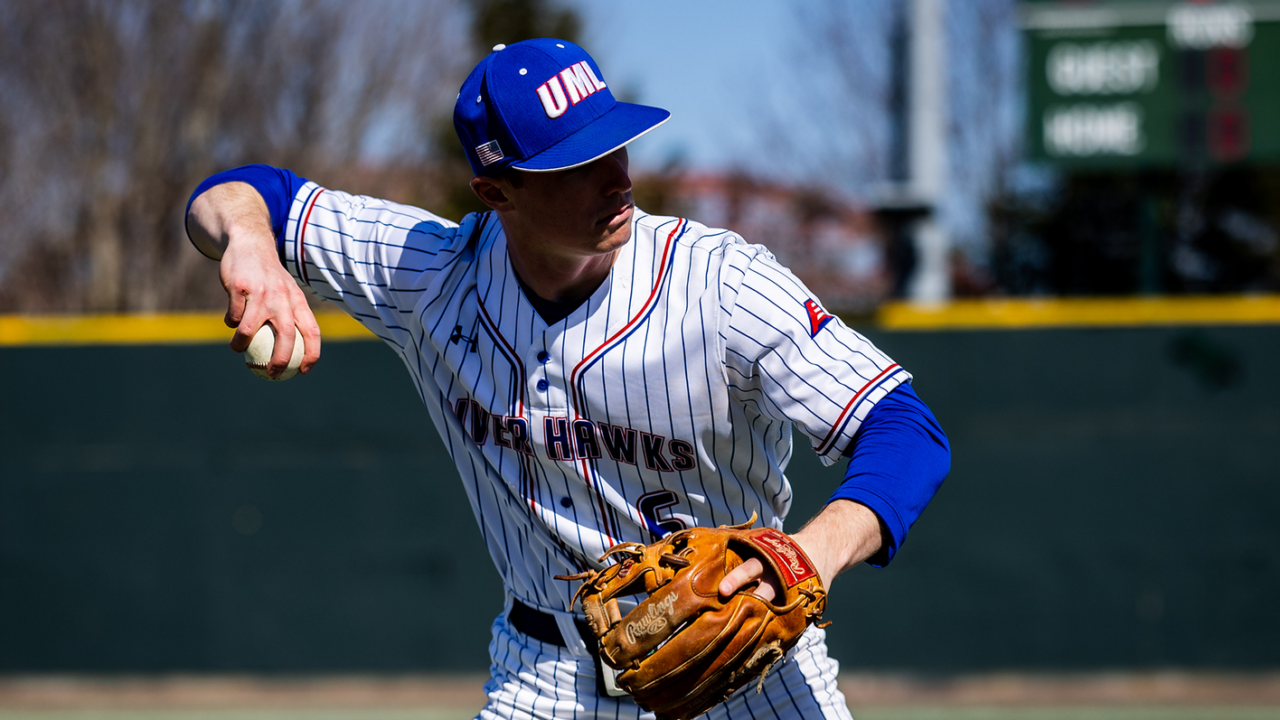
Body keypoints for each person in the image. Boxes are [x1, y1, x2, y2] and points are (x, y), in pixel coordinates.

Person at [186, 38, 949, 720]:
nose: (614, 175)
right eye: (575, 165)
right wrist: (250, 243)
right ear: (496, 192)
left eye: (614, 141)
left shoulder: (720, 284)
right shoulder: (431, 272)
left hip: (750, 671)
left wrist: (805, 556)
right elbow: (239, 194)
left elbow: (906, 429)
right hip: (546, 673)